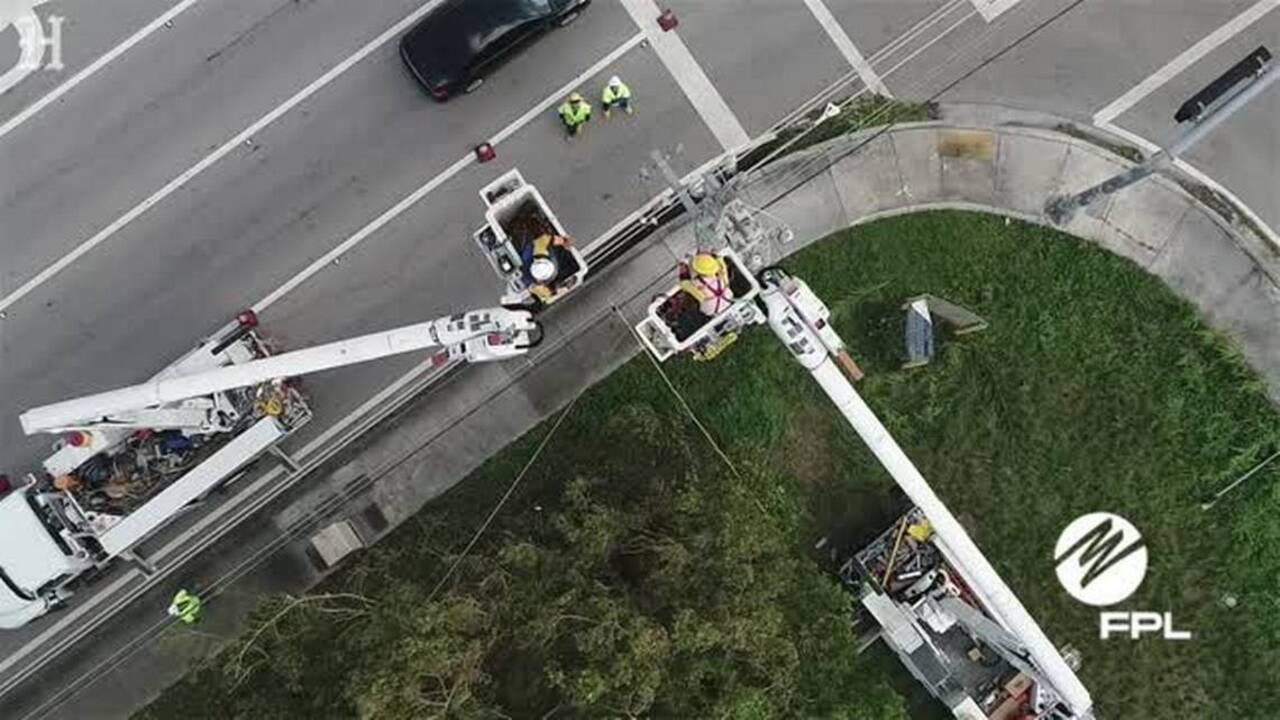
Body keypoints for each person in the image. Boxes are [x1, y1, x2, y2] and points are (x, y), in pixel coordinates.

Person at [678, 252, 735, 317]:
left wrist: (719, 258)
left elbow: (723, 269)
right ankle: (688, 260)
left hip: (707, 273)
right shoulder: (725, 293)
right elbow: (685, 285)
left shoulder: (728, 293)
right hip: (710, 302)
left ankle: (690, 259)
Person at [522, 233, 573, 302]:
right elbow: (547, 298)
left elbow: (546, 239)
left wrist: (563, 241)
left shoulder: (538, 251)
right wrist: (562, 289)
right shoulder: (531, 283)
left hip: (543, 250)